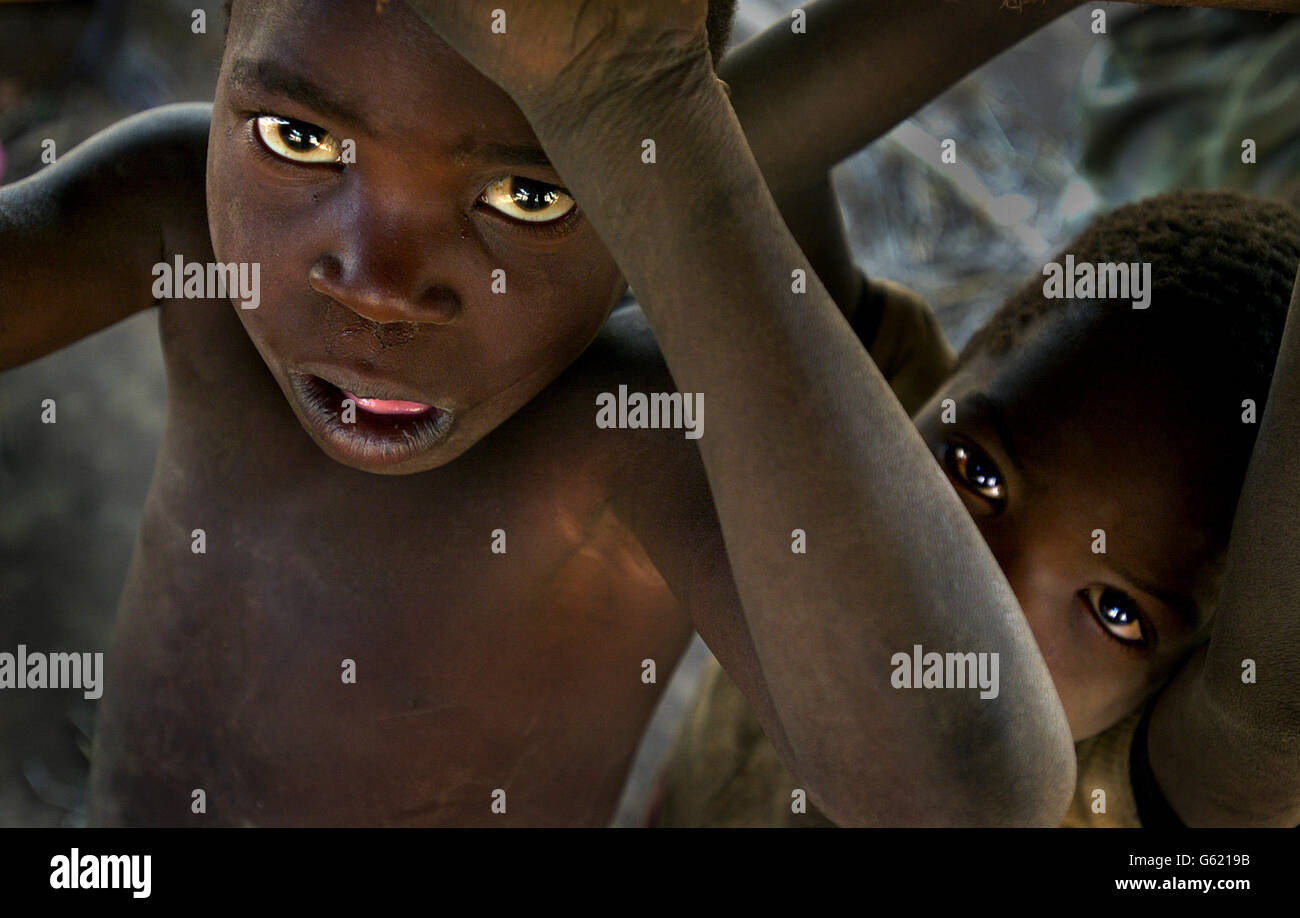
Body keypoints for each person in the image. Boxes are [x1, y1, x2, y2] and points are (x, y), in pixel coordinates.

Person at [1, 0, 1083, 826]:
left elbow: (963, 796)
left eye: (528, 198)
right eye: (296, 141)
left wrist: (645, 106)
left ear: (639, 214)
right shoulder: (172, 213)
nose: (377, 282)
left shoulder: (633, 428)